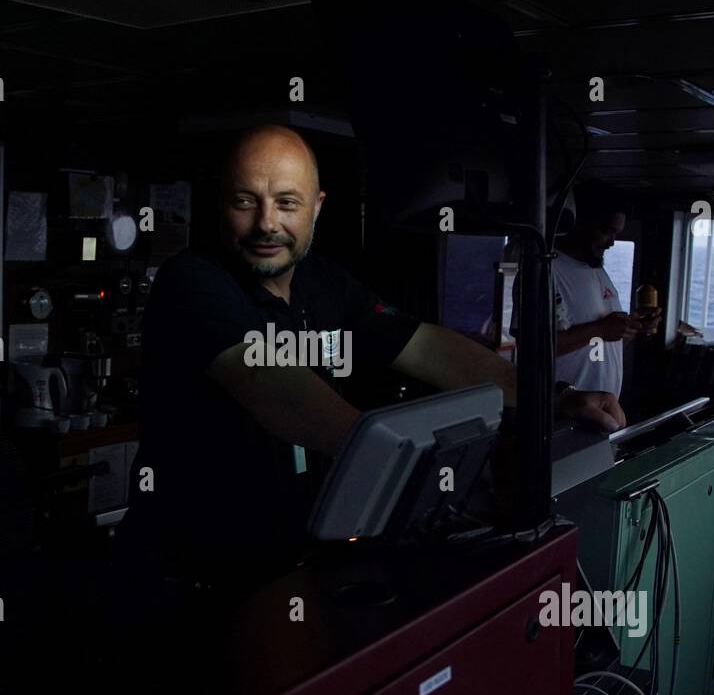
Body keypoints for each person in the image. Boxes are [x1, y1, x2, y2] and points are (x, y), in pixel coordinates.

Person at [118, 125, 624, 588]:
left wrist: (548, 399)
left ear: (317, 206)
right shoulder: (193, 283)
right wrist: (418, 473)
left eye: (287, 203)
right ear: (221, 203)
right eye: (245, 201)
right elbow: (276, 389)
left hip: (286, 566)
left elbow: (428, 346)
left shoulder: (323, 284)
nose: (266, 223)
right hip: (184, 578)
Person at [549, 183, 661, 398]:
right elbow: (532, 350)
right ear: (580, 223)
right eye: (606, 231)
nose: (612, 242)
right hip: (564, 413)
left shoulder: (598, 271)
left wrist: (629, 328)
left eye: (616, 233)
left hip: (603, 412)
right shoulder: (548, 270)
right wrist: (601, 328)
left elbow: (600, 346)